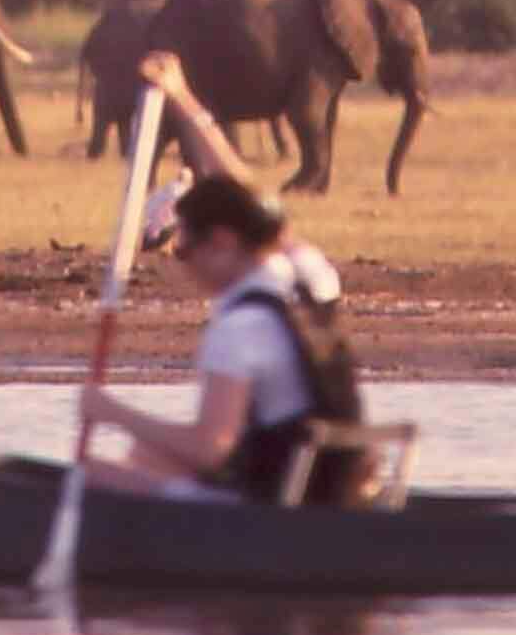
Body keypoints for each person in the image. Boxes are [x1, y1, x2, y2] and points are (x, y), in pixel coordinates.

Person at [77, 51, 365, 504]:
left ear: (224, 244)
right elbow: (247, 197)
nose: (182, 263)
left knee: (90, 475)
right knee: (146, 455)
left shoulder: (238, 329)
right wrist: (181, 97)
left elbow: (212, 449)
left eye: (185, 248)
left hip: (271, 507)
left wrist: (110, 412)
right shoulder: (311, 274)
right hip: (336, 487)